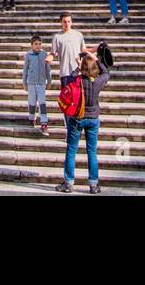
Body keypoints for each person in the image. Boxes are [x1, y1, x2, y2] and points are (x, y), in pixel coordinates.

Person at [57, 51, 110, 194]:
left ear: (82, 68)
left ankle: (68, 183)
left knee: (71, 149)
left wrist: (78, 66)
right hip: (93, 119)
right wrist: (95, 59)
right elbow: (106, 73)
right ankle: (93, 185)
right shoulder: (98, 81)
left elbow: (69, 79)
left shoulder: (76, 80)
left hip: (77, 118)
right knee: (92, 151)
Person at [22, 34, 51, 136]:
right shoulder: (28, 55)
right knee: (32, 102)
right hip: (31, 83)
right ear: (31, 45)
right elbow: (25, 70)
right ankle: (31, 119)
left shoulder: (44, 54)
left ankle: (44, 123)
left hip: (42, 83)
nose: (38, 46)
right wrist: (24, 83)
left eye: (39, 44)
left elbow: (48, 69)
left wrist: (49, 81)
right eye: (35, 44)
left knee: (42, 103)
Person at [49, 12, 86, 85]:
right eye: (64, 22)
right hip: (65, 73)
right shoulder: (57, 37)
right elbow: (53, 53)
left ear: (71, 22)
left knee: (78, 96)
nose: (67, 24)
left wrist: (95, 49)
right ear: (61, 23)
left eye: (69, 21)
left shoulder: (78, 35)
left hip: (78, 72)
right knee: (65, 96)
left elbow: (83, 51)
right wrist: (50, 57)